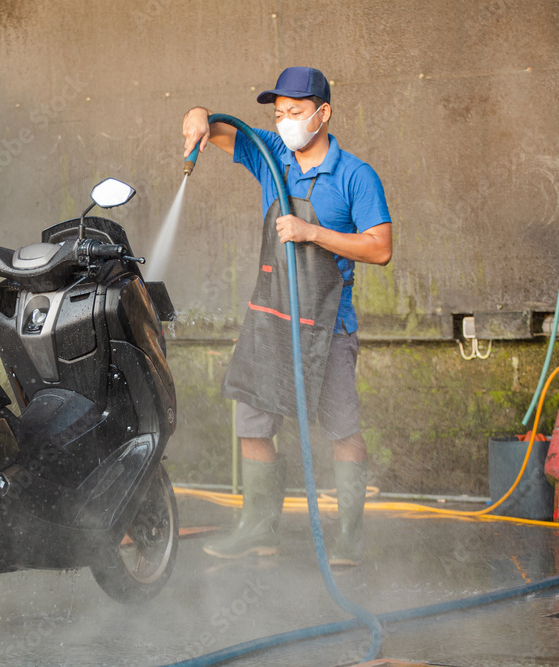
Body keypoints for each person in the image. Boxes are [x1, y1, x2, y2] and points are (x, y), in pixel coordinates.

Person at [181, 66, 392, 566]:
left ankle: (349, 536)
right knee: (253, 423)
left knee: (342, 430)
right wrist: (197, 116)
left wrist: (311, 232)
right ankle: (260, 530)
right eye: (278, 114)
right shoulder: (273, 156)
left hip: (327, 324)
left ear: (323, 114)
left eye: (296, 112)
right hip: (270, 315)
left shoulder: (355, 176)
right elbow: (218, 130)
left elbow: (380, 248)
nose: (286, 122)